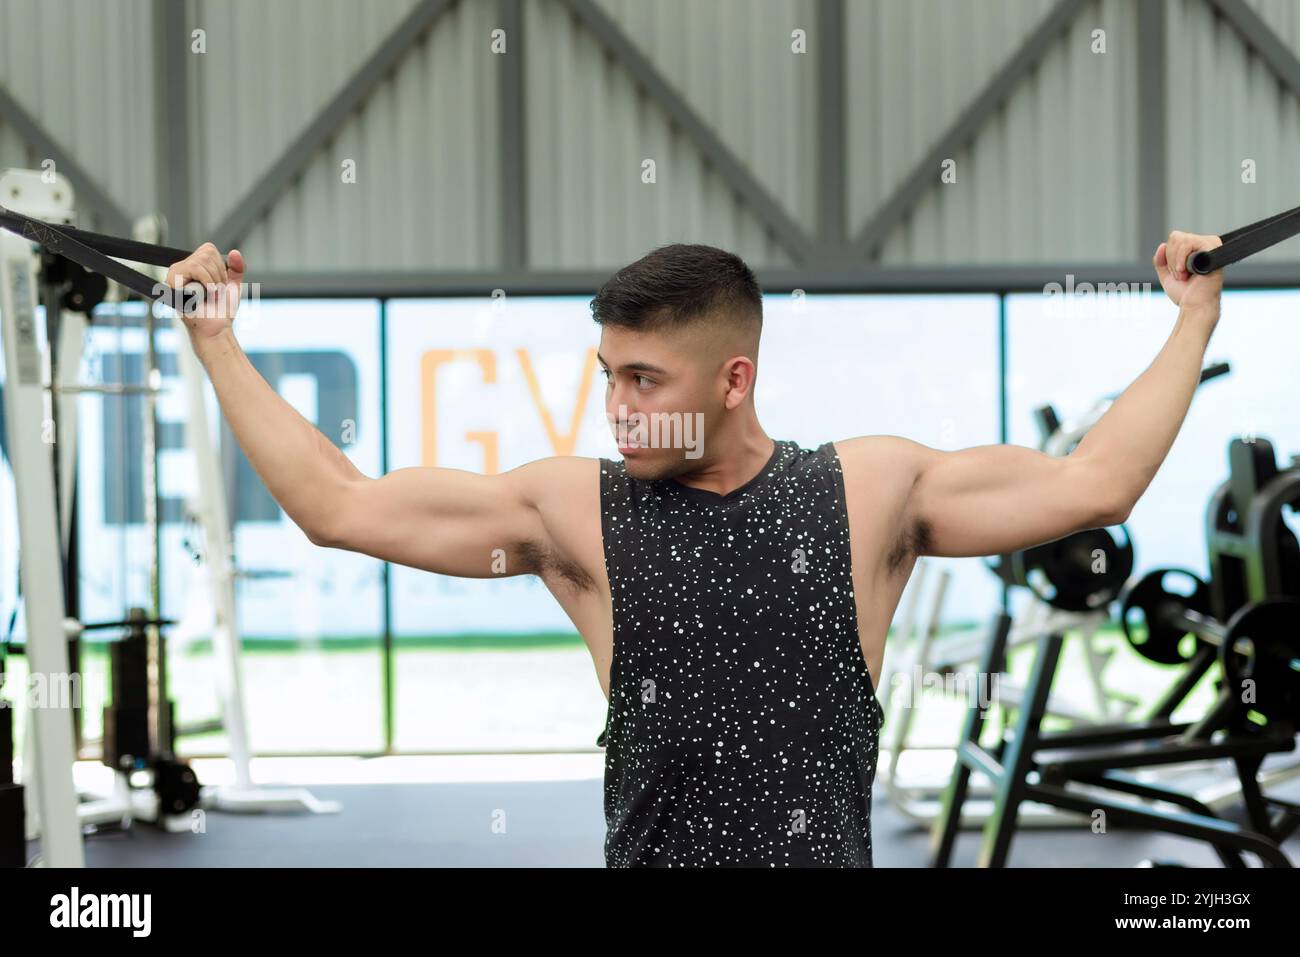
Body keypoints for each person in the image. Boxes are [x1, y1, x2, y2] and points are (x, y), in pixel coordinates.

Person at [167, 231, 1224, 867]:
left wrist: (1191, 318)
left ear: (732, 380)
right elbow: (339, 504)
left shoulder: (865, 491)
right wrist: (217, 338)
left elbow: (1095, 484)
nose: (618, 411)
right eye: (607, 377)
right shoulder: (573, 513)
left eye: (645, 382)